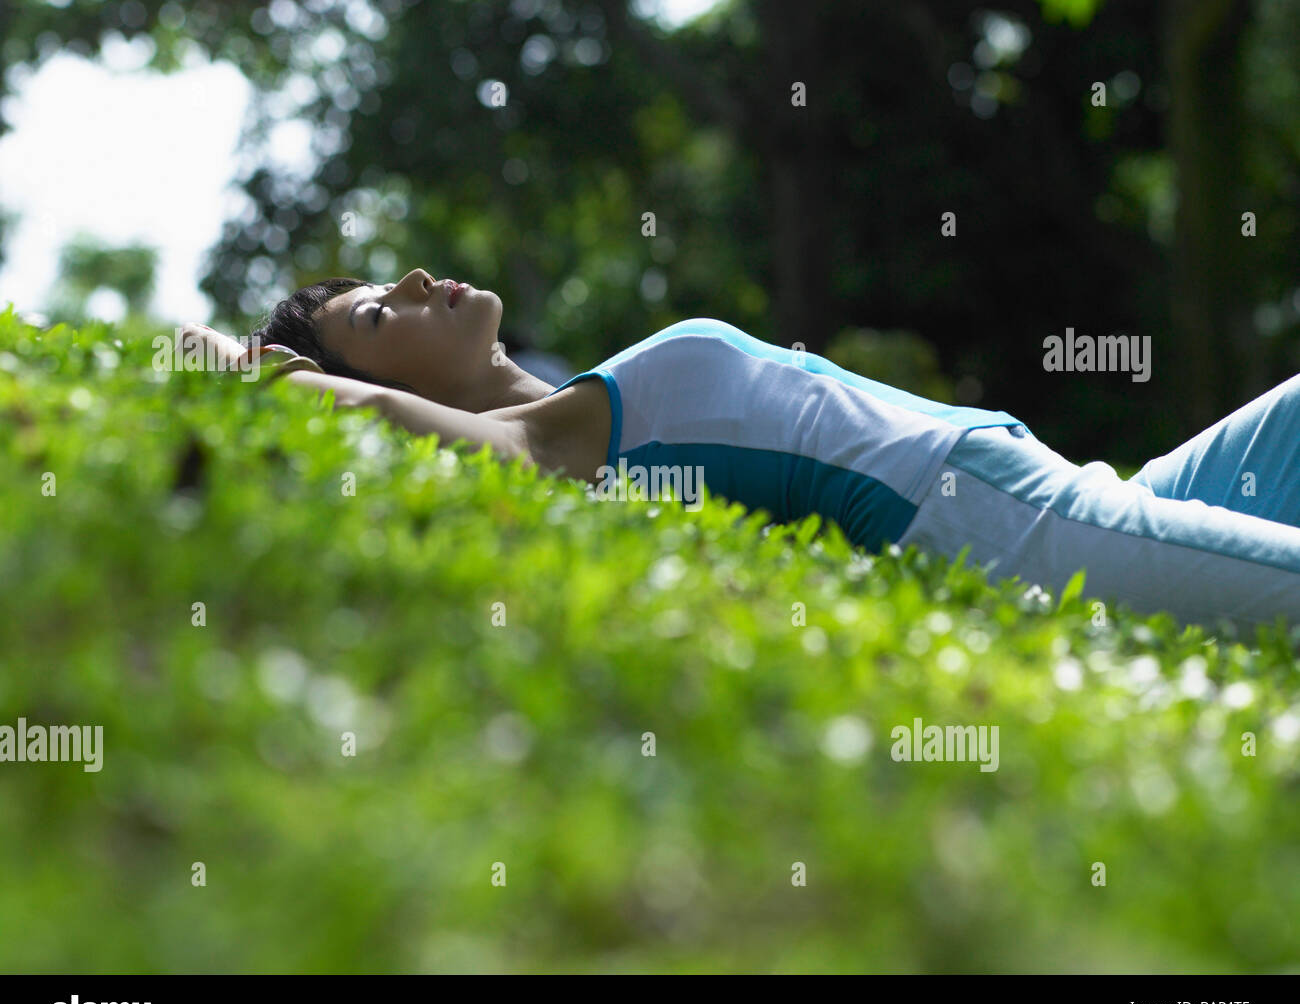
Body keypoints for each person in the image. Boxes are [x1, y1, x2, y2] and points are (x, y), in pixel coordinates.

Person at [187, 267, 1300, 631]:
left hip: (1068, 482)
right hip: (1023, 535)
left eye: (390, 281)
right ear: (371, 380)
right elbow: (452, 446)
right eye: (380, 318)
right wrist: (259, 369)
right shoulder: (542, 440)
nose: (417, 284)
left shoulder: (584, 390)